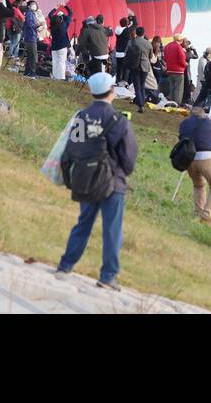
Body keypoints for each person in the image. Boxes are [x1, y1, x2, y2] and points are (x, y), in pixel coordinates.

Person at [55, 70, 139, 290]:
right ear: (111, 91)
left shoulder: (81, 116)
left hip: (86, 178)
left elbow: (72, 149)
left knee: (83, 224)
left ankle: (66, 265)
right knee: (112, 229)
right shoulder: (118, 120)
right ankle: (108, 275)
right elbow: (129, 157)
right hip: (113, 181)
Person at [177, 104, 211, 222]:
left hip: (189, 158)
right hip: (206, 157)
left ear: (190, 115)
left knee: (198, 185)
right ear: (203, 115)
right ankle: (207, 215)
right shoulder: (208, 123)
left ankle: (197, 212)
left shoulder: (183, 124)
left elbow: (182, 139)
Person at [162, 34, 187, 105]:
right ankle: (177, 104)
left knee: (172, 87)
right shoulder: (178, 47)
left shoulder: (168, 46)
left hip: (170, 70)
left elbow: (165, 58)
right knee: (178, 89)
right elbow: (182, 59)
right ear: (180, 40)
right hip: (179, 71)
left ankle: (171, 102)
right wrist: (184, 65)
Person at [48, 7, 70, 81]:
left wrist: (55, 8)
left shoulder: (52, 27)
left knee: (55, 61)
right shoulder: (64, 25)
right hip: (62, 47)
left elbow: (50, 15)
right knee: (61, 62)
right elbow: (70, 15)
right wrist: (63, 13)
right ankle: (60, 77)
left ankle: (55, 76)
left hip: (54, 47)